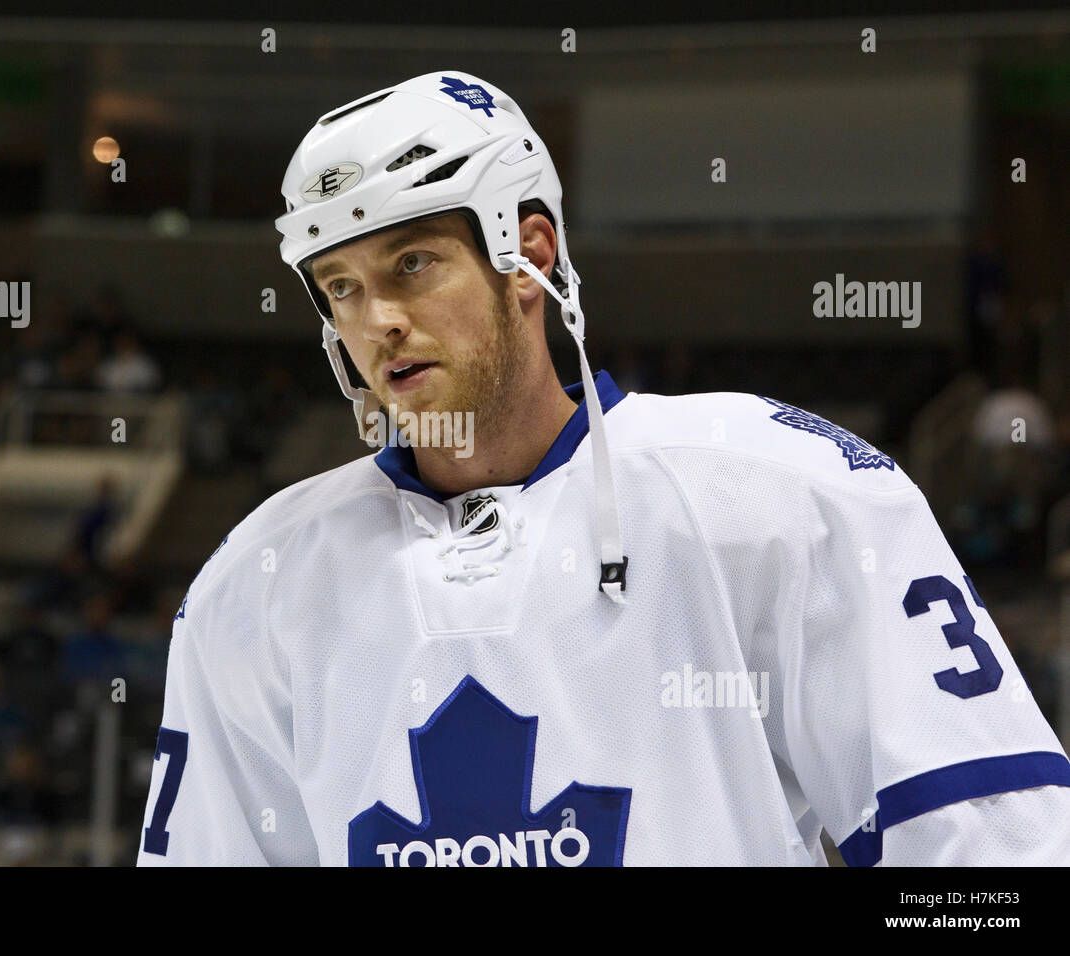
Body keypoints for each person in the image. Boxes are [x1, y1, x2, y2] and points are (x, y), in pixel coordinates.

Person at [138, 72, 1070, 866]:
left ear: (528, 253)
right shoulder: (254, 587)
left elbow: (992, 848)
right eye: (342, 287)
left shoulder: (779, 491)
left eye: (412, 263)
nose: (376, 319)